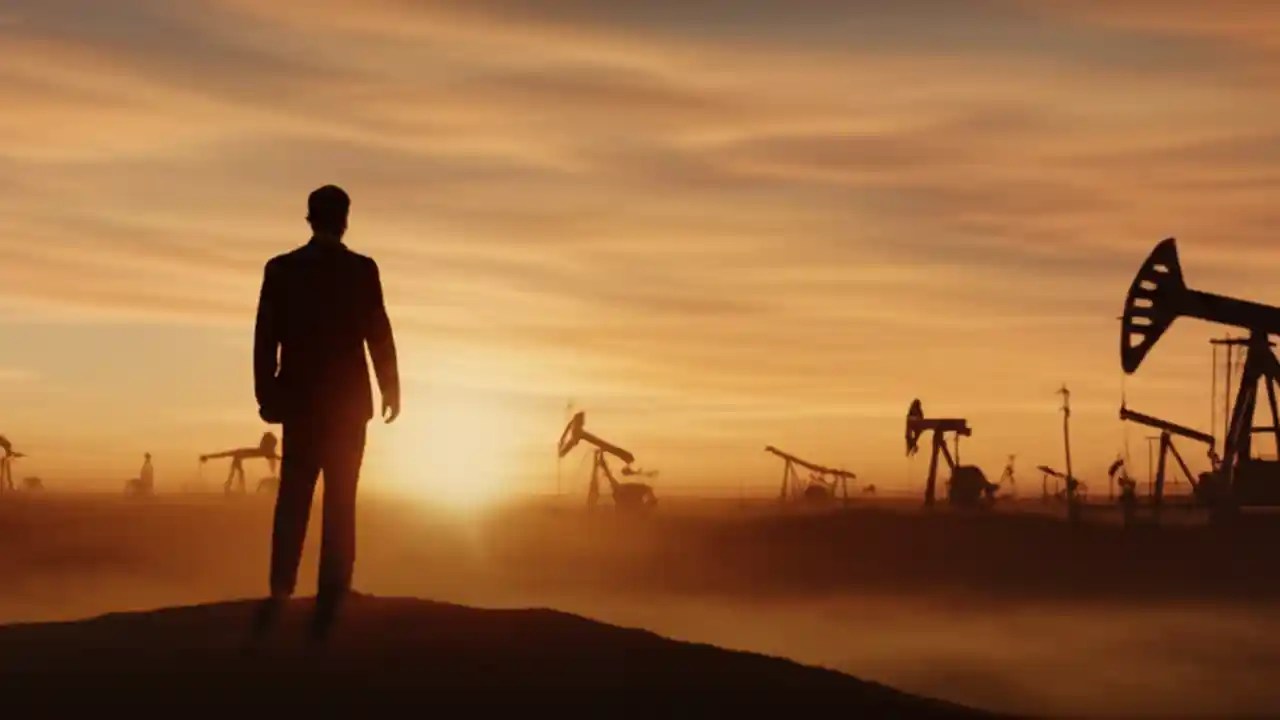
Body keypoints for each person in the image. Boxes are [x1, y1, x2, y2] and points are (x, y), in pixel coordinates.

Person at [250, 184, 400, 643]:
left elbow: (265, 338)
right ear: (345, 220)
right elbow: (378, 331)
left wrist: (267, 394)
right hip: (348, 406)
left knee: (293, 497)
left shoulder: (282, 270)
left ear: (310, 219)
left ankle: (281, 589)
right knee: (340, 500)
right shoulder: (361, 270)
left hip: (301, 405)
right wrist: (390, 387)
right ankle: (332, 593)